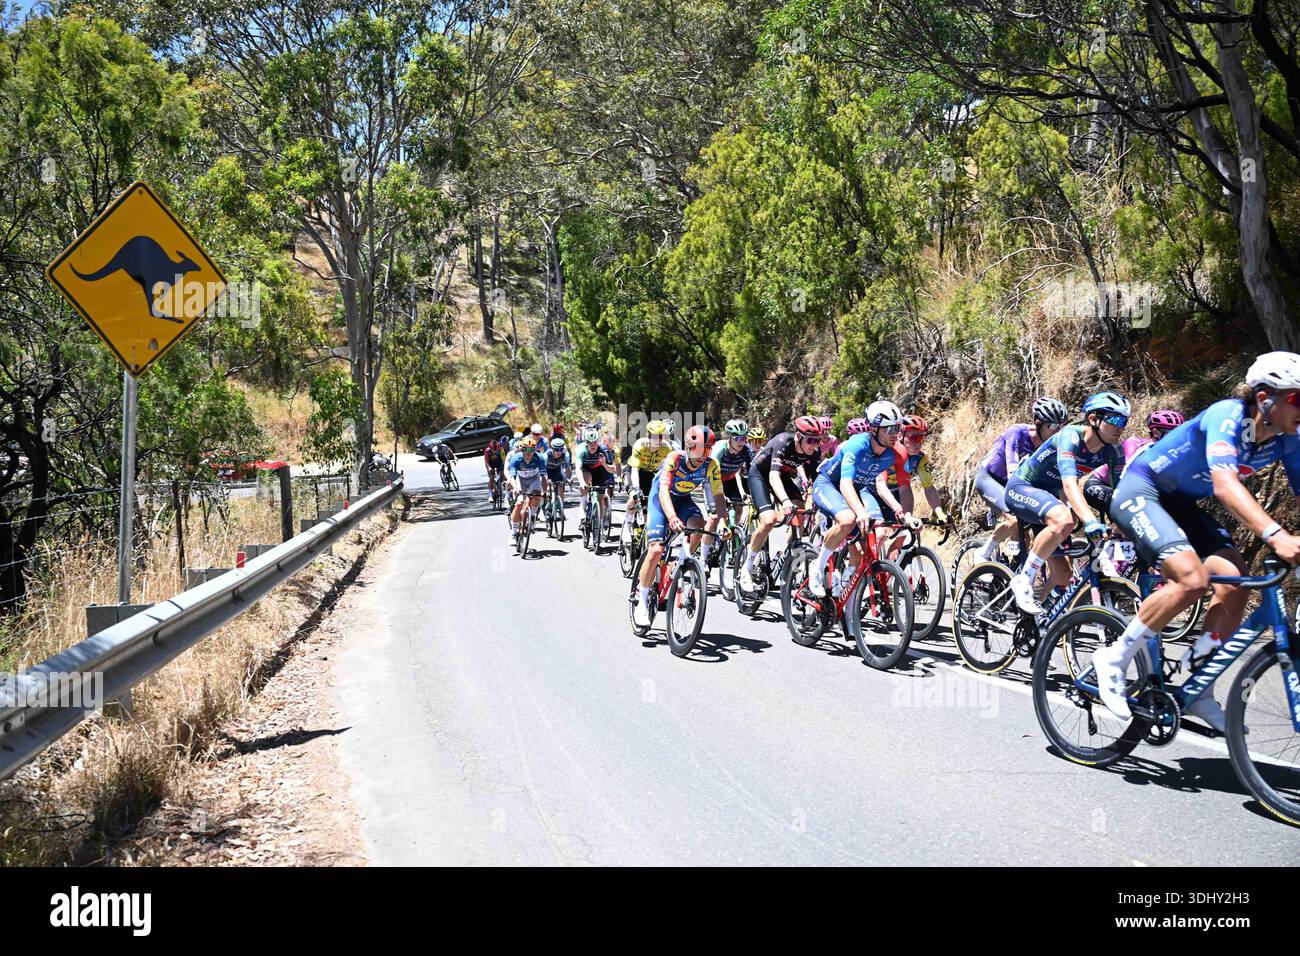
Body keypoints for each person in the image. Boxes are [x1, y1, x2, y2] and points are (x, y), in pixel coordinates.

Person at [1097, 353, 1300, 732]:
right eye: (1297, 399)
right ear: (1263, 398)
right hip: (1143, 491)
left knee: (1233, 584)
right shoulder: (1226, 414)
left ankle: (1197, 683)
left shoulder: (1288, 440)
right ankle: (1114, 658)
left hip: (1182, 505)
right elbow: (1225, 485)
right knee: (1191, 580)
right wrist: (1275, 534)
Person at [1003, 391, 1129, 614]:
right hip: (1022, 488)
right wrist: (1090, 521)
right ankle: (1023, 580)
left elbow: (1119, 495)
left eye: (1125, 421)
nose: (1121, 427)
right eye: (1115, 420)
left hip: (1048, 500)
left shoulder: (1114, 451)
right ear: (1093, 419)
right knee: (1065, 518)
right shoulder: (1070, 437)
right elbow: (1070, 485)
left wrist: (1123, 525)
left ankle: (1036, 620)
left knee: (1064, 575)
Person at [809, 400, 919, 597]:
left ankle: (843, 585)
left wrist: (907, 515)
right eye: (890, 429)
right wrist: (860, 512)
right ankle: (817, 566)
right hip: (829, 485)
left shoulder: (898, 453)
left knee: (861, 552)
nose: (896, 434)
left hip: (856, 489)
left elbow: (904, 487)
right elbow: (845, 484)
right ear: (874, 429)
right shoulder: (856, 446)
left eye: (898, 428)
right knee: (849, 519)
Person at [633, 425, 725, 627]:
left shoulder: (711, 465)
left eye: (708, 450)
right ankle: (642, 597)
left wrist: (724, 522)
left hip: (683, 500)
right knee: (656, 550)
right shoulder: (674, 459)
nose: (704, 455)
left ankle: (678, 564)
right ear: (689, 447)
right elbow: (663, 491)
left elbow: (718, 495)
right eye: (701, 449)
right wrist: (672, 517)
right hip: (660, 500)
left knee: (699, 525)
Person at [974, 397, 1069, 560]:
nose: (1057, 431)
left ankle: (1012, 569)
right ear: (1038, 423)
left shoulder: (1052, 446)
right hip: (990, 478)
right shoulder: (1017, 432)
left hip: (1016, 484)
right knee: (1013, 519)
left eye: (1061, 427)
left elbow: (1057, 482)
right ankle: (983, 552)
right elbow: (1013, 471)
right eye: (1053, 426)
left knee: (1025, 537)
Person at [738, 416, 824, 593]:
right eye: (810, 440)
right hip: (761, 474)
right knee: (768, 520)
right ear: (799, 436)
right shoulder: (783, 441)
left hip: (783, 476)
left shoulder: (813, 452)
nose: (814, 445)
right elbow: (773, 476)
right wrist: (784, 501)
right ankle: (746, 567)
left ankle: (787, 556)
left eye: (818, 440)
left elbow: (819, 482)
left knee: (799, 510)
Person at [711, 418, 754, 530]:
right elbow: (712, 474)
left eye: (744, 438)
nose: (741, 442)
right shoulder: (719, 449)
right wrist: (720, 495)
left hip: (730, 480)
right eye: (738, 438)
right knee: (716, 517)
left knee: (738, 509)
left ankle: (734, 535)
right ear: (729, 437)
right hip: (713, 480)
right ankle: (707, 546)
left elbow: (753, 474)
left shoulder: (746, 451)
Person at [506, 437, 547, 540]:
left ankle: (532, 516)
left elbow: (543, 477)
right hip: (520, 480)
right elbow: (512, 477)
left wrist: (545, 491)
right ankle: (514, 532)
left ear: (535, 450)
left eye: (532, 450)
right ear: (522, 449)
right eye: (526, 450)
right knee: (519, 503)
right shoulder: (515, 459)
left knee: (537, 496)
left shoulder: (540, 458)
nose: (529, 453)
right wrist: (515, 488)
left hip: (534, 479)